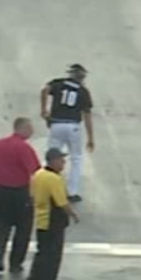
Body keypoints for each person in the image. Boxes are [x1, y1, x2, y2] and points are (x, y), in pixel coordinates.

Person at [23, 147, 78, 280]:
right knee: (51, 260)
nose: (63, 162)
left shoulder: (39, 175)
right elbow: (61, 202)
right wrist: (73, 215)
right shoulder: (54, 178)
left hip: (41, 221)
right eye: (61, 160)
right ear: (53, 161)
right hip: (53, 222)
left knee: (41, 256)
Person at [0, 117, 42, 274]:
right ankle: (15, 262)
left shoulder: (1, 143)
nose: (31, 131)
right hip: (20, 191)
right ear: (21, 128)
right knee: (23, 228)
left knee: (4, 222)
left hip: (3, 189)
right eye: (29, 128)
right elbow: (36, 172)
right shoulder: (24, 148)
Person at [41, 64, 95, 202]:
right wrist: (90, 137)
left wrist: (44, 110)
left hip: (56, 124)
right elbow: (87, 115)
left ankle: (47, 188)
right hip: (73, 127)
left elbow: (45, 90)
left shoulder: (58, 84)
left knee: (52, 155)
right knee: (76, 158)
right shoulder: (83, 92)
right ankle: (72, 192)